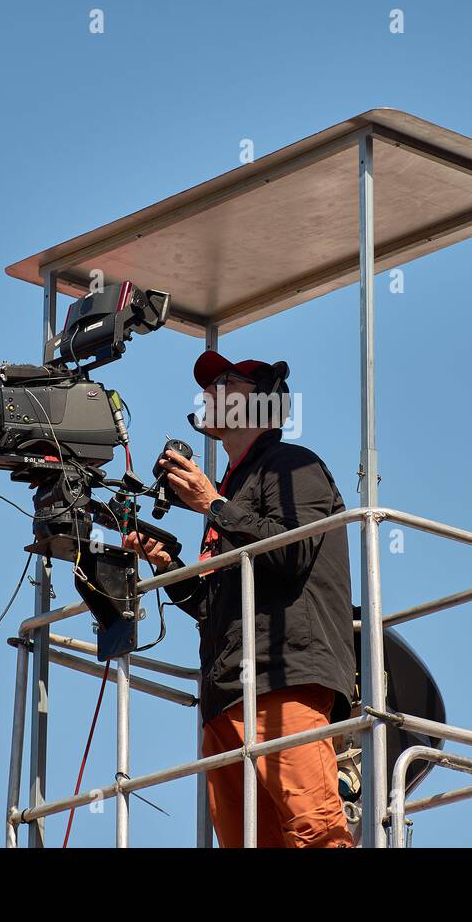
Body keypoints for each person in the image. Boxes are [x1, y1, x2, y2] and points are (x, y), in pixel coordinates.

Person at [123, 351, 356, 848]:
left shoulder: (294, 465)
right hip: (225, 694)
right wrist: (168, 566)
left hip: (284, 677)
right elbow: (215, 608)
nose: (209, 392)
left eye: (226, 382)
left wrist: (213, 505)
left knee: (318, 832)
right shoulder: (231, 490)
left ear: (264, 402)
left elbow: (292, 552)